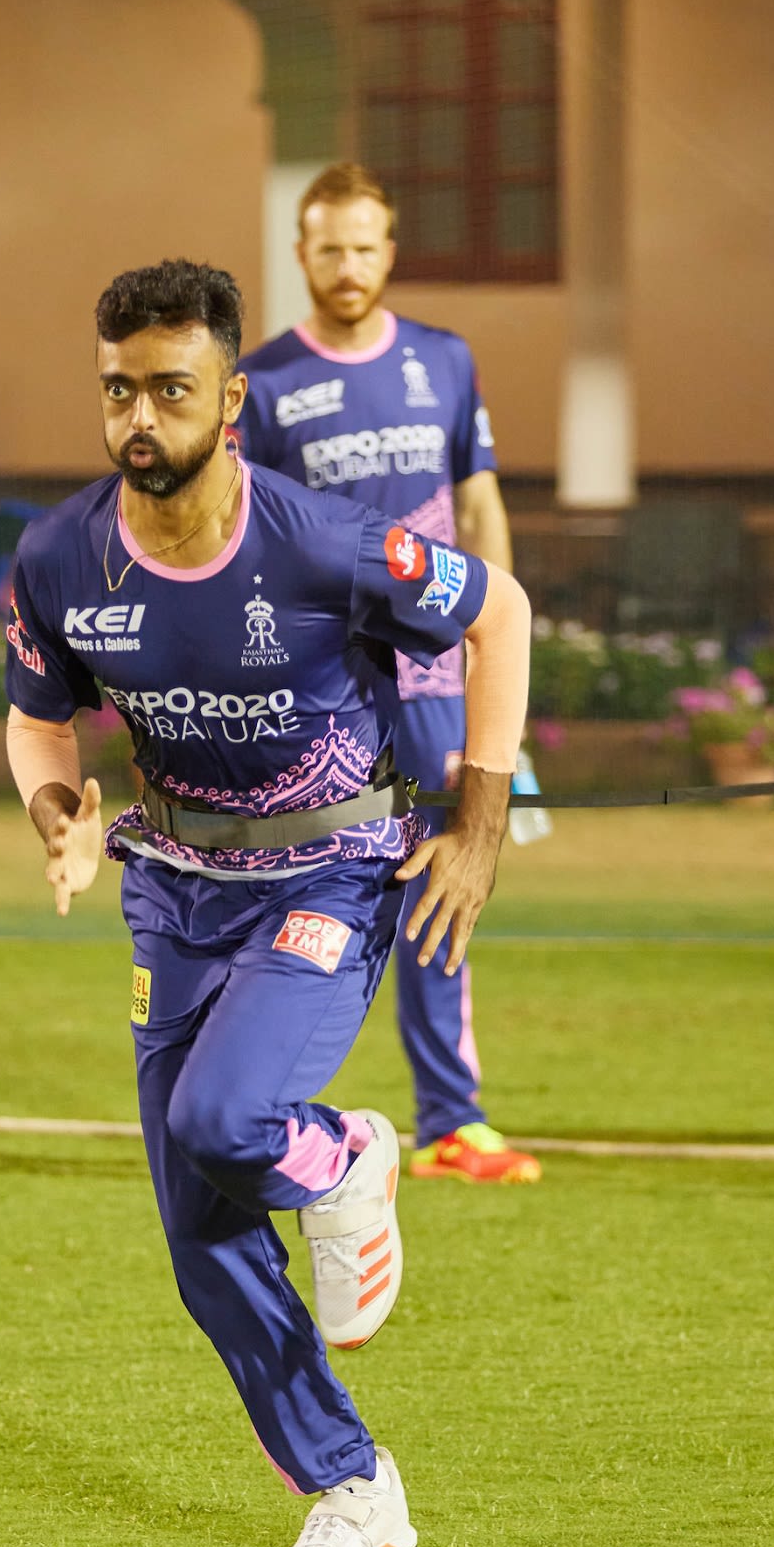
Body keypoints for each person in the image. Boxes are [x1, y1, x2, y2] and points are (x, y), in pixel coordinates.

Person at [5, 259, 530, 1547]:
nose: (140, 417)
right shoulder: (60, 554)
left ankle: (350, 1154)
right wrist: (59, 807)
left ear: (229, 399)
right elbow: (38, 710)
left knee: (223, 1120)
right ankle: (355, 1487)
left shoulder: (321, 539)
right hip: (171, 891)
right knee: (199, 1239)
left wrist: (475, 820)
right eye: (118, 388)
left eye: (169, 390)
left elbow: (499, 612)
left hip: (326, 878)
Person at [239, 162, 540, 1185]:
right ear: (300, 254)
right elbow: (251, 540)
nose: (347, 265)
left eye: (364, 245)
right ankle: (249, 1100)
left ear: (389, 249)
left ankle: (450, 1120)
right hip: (325, 688)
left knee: (441, 881)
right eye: (328, 247)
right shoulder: (265, 383)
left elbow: (477, 501)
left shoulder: (443, 362)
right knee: (294, 882)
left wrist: (489, 632)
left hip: (437, 686)